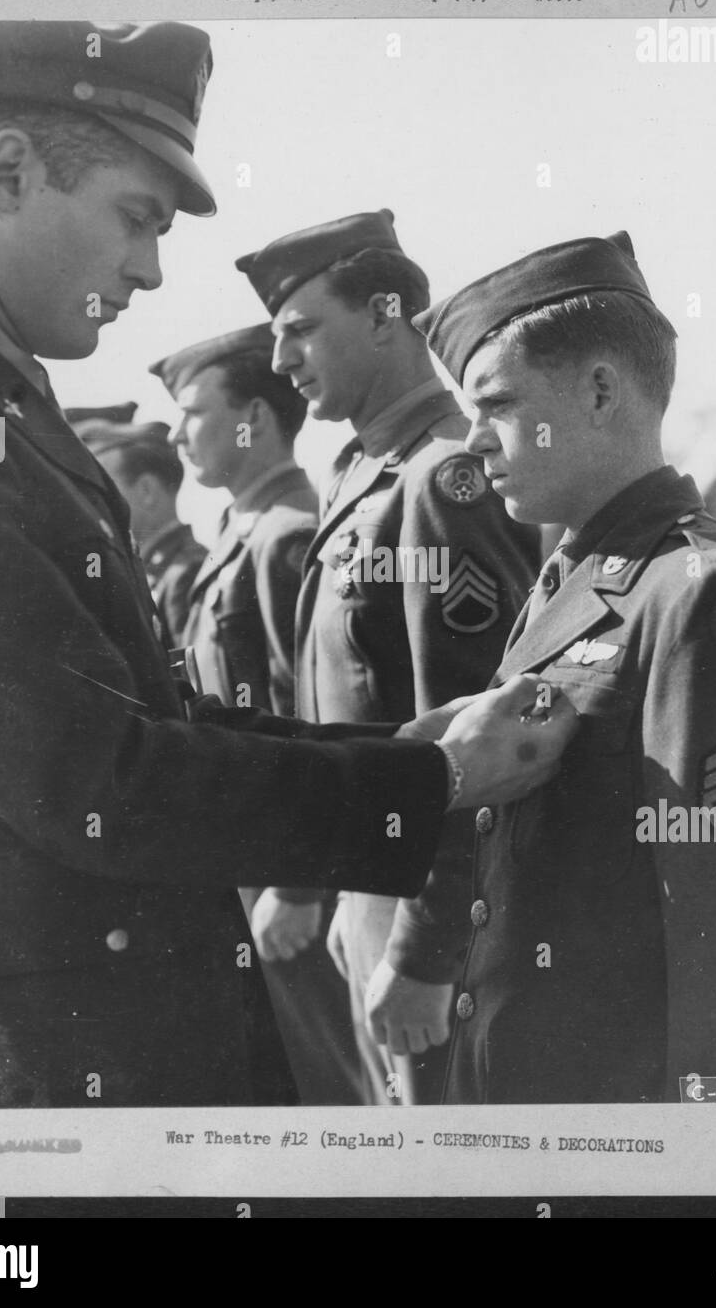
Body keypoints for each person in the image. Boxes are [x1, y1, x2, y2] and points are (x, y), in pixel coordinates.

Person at [0, 19, 577, 1109]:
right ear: (6, 174)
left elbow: (161, 722)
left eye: (303, 331)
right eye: (136, 218)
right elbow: (105, 776)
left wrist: (408, 767)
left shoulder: (7, 418)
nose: (150, 269)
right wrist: (420, 775)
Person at [414, 230, 716, 1102]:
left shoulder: (705, 596)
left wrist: (710, 1169)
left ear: (601, 391)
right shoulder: (573, 581)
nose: (473, 442)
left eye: (494, 404)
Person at [237, 212, 540, 1104]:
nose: (284, 363)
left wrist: (424, 949)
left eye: (300, 332)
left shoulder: (445, 477)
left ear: (384, 314)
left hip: (425, 906)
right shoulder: (362, 470)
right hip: (365, 887)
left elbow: (472, 739)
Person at [151, 325, 361, 1104]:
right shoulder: (243, 536)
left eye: (194, 412)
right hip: (254, 865)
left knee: (334, 1091)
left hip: (293, 879)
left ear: (256, 422)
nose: (176, 434)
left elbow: (310, 723)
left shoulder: (288, 537)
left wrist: (301, 885)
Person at [74, 417, 205, 646]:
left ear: (147, 491)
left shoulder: (185, 573)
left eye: (101, 494)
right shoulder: (155, 572)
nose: (90, 507)